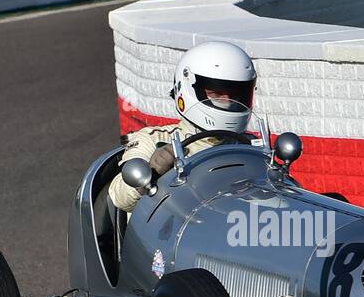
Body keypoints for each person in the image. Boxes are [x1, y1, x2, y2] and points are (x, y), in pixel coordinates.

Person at [108, 41, 257, 213]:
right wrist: (152, 172)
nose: (227, 102)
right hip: (166, 233)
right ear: (186, 88)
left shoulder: (250, 146)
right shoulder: (153, 139)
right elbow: (118, 197)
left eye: (236, 95)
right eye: (216, 94)